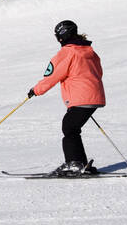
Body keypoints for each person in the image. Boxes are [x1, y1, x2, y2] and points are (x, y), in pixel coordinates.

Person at [27, 20, 106, 176]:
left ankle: (74, 163)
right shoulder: (90, 51)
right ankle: (80, 163)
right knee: (72, 128)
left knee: (69, 128)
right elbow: (98, 72)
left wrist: (36, 90)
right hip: (95, 97)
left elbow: (53, 75)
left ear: (61, 36)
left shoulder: (67, 52)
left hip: (81, 98)